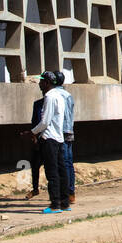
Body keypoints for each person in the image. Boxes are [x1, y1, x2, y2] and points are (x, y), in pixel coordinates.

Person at [29, 70, 70, 212]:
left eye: (41, 81)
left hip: (49, 138)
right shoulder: (59, 96)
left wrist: (32, 132)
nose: (39, 84)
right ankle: (65, 203)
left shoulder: (49, 97)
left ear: (46, 83)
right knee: (62, 171)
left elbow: (45, 121)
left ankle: (55, 204)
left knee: (52, 173)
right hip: (58, 138)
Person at [52, 71, 76, 206]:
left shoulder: (55, 95)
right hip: (69, 130)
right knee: (68, 163)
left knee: (62, 163)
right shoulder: (68, 95)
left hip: (61, 131)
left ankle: (65, 193)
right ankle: (71, 192)